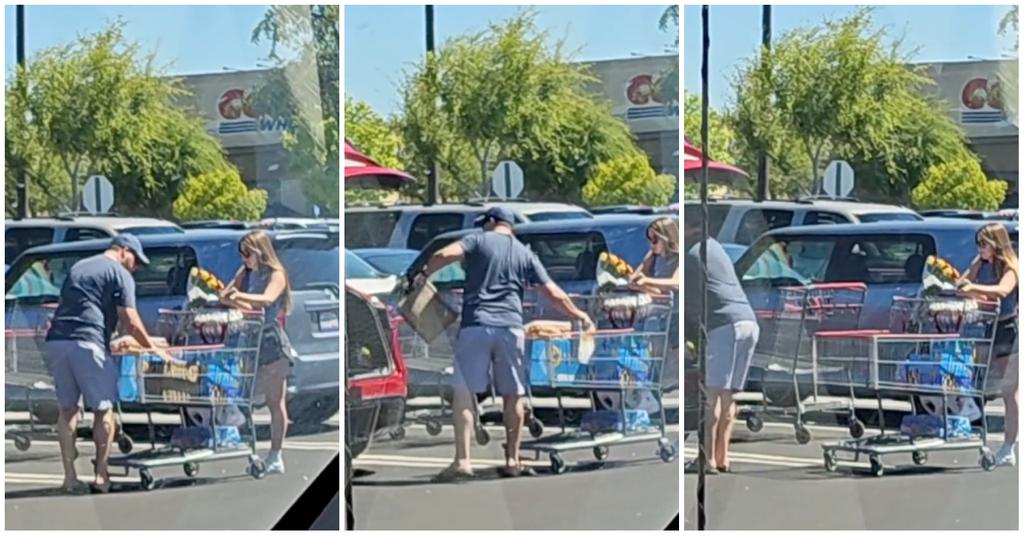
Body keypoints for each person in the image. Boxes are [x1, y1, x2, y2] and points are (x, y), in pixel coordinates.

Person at [414, 207, 596, 480]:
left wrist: (425, 273)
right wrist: (578, 314)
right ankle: (512, 459)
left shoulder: (477, 240)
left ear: (490, 222)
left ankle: (463, 462)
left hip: (476, 324)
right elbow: (552, 292)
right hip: (511, 329)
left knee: (464, 392)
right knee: (514, 395)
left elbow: (443, 254)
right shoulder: (524, 253)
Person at [45, 234, 164, 493]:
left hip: (58, 340)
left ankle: (70, 477)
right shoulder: (120, 274)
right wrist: (151, 347)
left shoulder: (79, 267)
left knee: (67, 411)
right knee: (103, 409)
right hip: (89, 342)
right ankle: (101, 475)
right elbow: (130, 319)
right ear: (123, 251)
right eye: (135, 260)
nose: (136, 267)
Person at [682, 211, 759, 474]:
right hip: (748, 321)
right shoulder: (715, 248)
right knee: (727, 395)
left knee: (711, 394)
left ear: (690, 228)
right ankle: (722, 456)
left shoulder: (692, 253)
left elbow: (688, 300)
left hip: (724, 325)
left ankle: (706, 459)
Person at [220, 230, 294, 475]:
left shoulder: (277, 274)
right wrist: (229, 294)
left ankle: (276, 454)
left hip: (271, 341)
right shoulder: (247, 273)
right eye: (242, 254)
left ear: (260, 251)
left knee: (275, 401)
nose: (245, 258)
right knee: (242, 397)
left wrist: (238, 296)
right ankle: (246, 444)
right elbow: (229, 296)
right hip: (250, 339)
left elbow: (266, 300)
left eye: (248, 253)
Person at [957, 222, 1019, 466]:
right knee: (975, 381)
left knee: (1008, 390)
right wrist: (969, 287)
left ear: (996, 244)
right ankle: (972, 426)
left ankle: (1008, 446)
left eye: (984, 243)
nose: (980, 248)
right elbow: (961, 285)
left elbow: (1003, 291)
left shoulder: (1011, 267)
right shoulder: (979, 263)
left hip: (1007, 330)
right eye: (978, 244)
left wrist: (975, 289)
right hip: (985, 328)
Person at [628, 217, 681, 393]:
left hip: (678, 313)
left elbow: (676, 283)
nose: (652, 244)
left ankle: (674, 388)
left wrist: (647, 281)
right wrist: (636, 281)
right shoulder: (653, 256)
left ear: (667, 238)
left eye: (655, 239)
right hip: (660, 312)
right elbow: (637, 275)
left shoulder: (680, 258)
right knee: (656, 349)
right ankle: (659, 386)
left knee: (675, 352)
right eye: (649, 239)